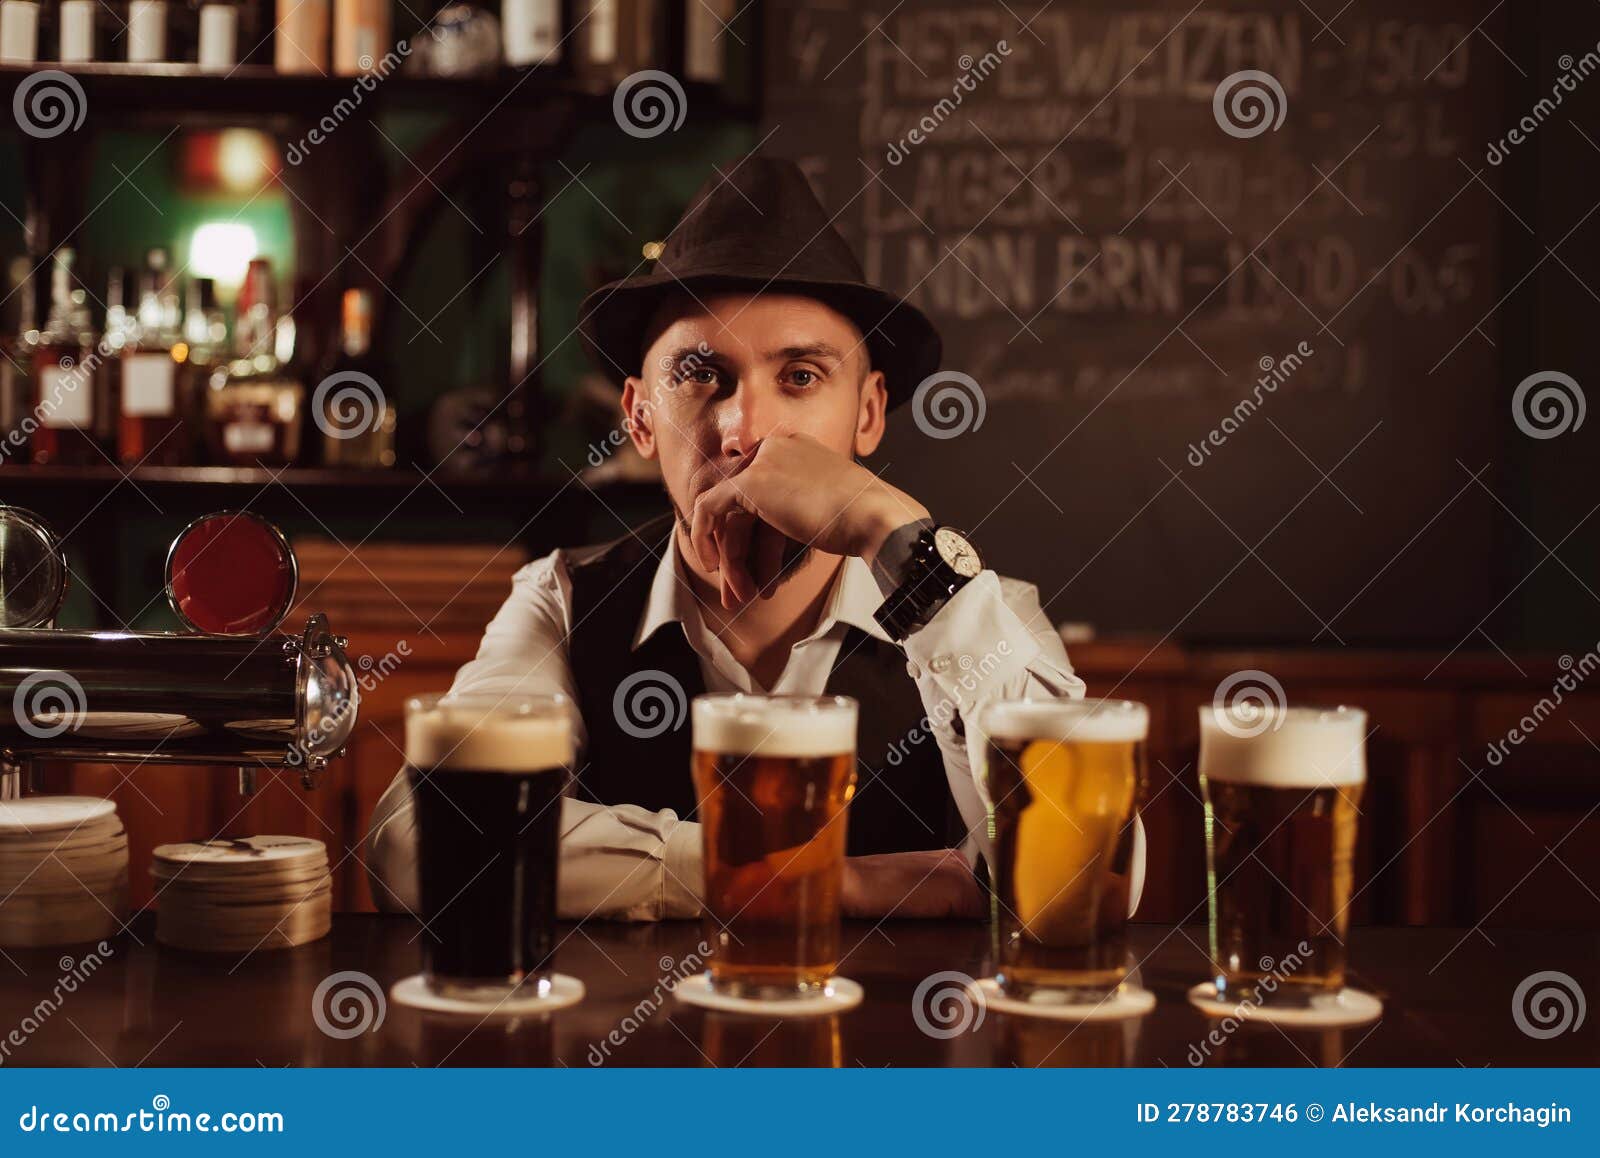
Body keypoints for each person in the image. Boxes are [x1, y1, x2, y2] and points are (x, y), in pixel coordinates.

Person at [368, 157, 1125, 921]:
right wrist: (836, 883)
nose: (745, 432)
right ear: (638, 419)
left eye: (799, 376)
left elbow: (1091, 875)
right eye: (701, 376)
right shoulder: (564, 599)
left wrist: (890, 531)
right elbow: (424, 843)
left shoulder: (981, 613)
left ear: (868, 415)